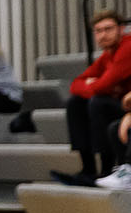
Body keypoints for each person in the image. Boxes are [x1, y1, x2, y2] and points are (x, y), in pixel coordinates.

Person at [52, 10, 131, 186]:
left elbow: (103, 85)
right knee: (75, 102)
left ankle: (106, 169)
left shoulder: (128, 47)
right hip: (122, 105)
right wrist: (97, 87)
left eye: (108, 29)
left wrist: (97, 86)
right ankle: (88, 168)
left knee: (99, 102)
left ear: (122, 29)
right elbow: (75, 84)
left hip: (128, 108)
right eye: (98, 31)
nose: (103, 35)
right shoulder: (106, 56)